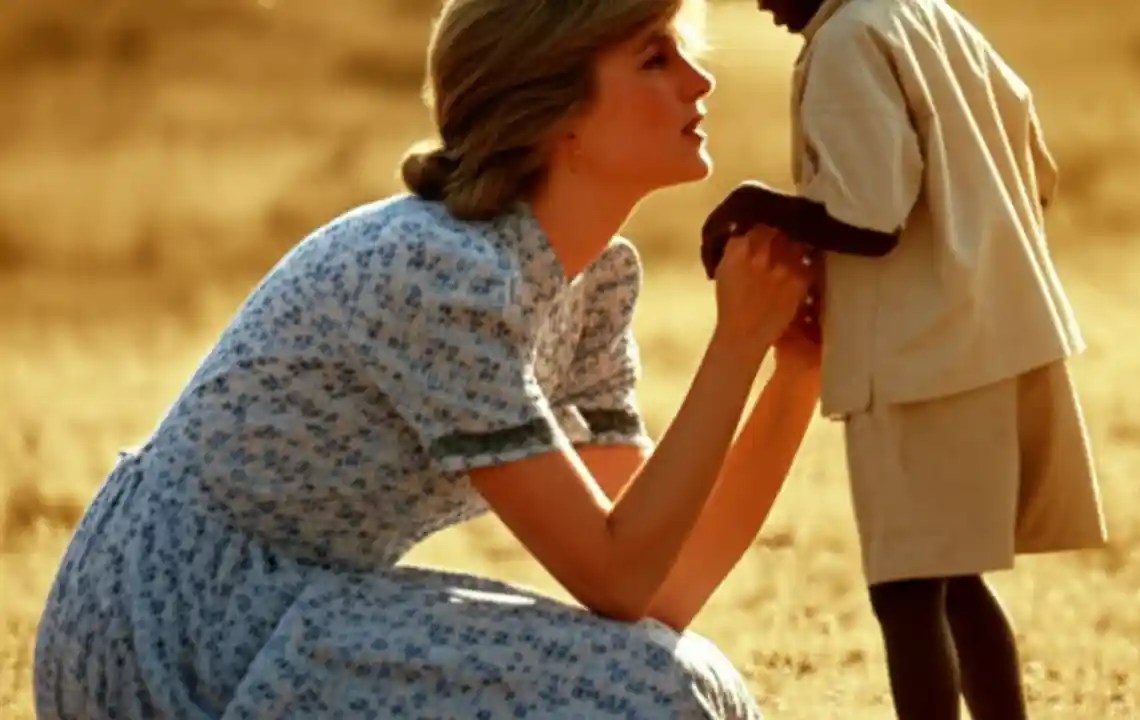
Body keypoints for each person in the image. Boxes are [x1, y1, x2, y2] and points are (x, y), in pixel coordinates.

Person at [33, 0, 823, 717]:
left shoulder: (591, 282)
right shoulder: (439, 274)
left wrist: (795, 367)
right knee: (655, 697)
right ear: (554, 114)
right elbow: (616, 577)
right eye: (656, 59)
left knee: (698, 683)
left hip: (304, 601)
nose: (701, 78)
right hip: (171, 635)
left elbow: (662, 582)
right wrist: (735, 343)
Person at [702, 1, 1109, 718]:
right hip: (991, 335)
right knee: (950, 578)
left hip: (922, 359)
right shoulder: (924, 14)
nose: (759, 2)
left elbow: (868, 218)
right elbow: (1034, 166)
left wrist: (752, 204)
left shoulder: (846, 42)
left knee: (907, 589)